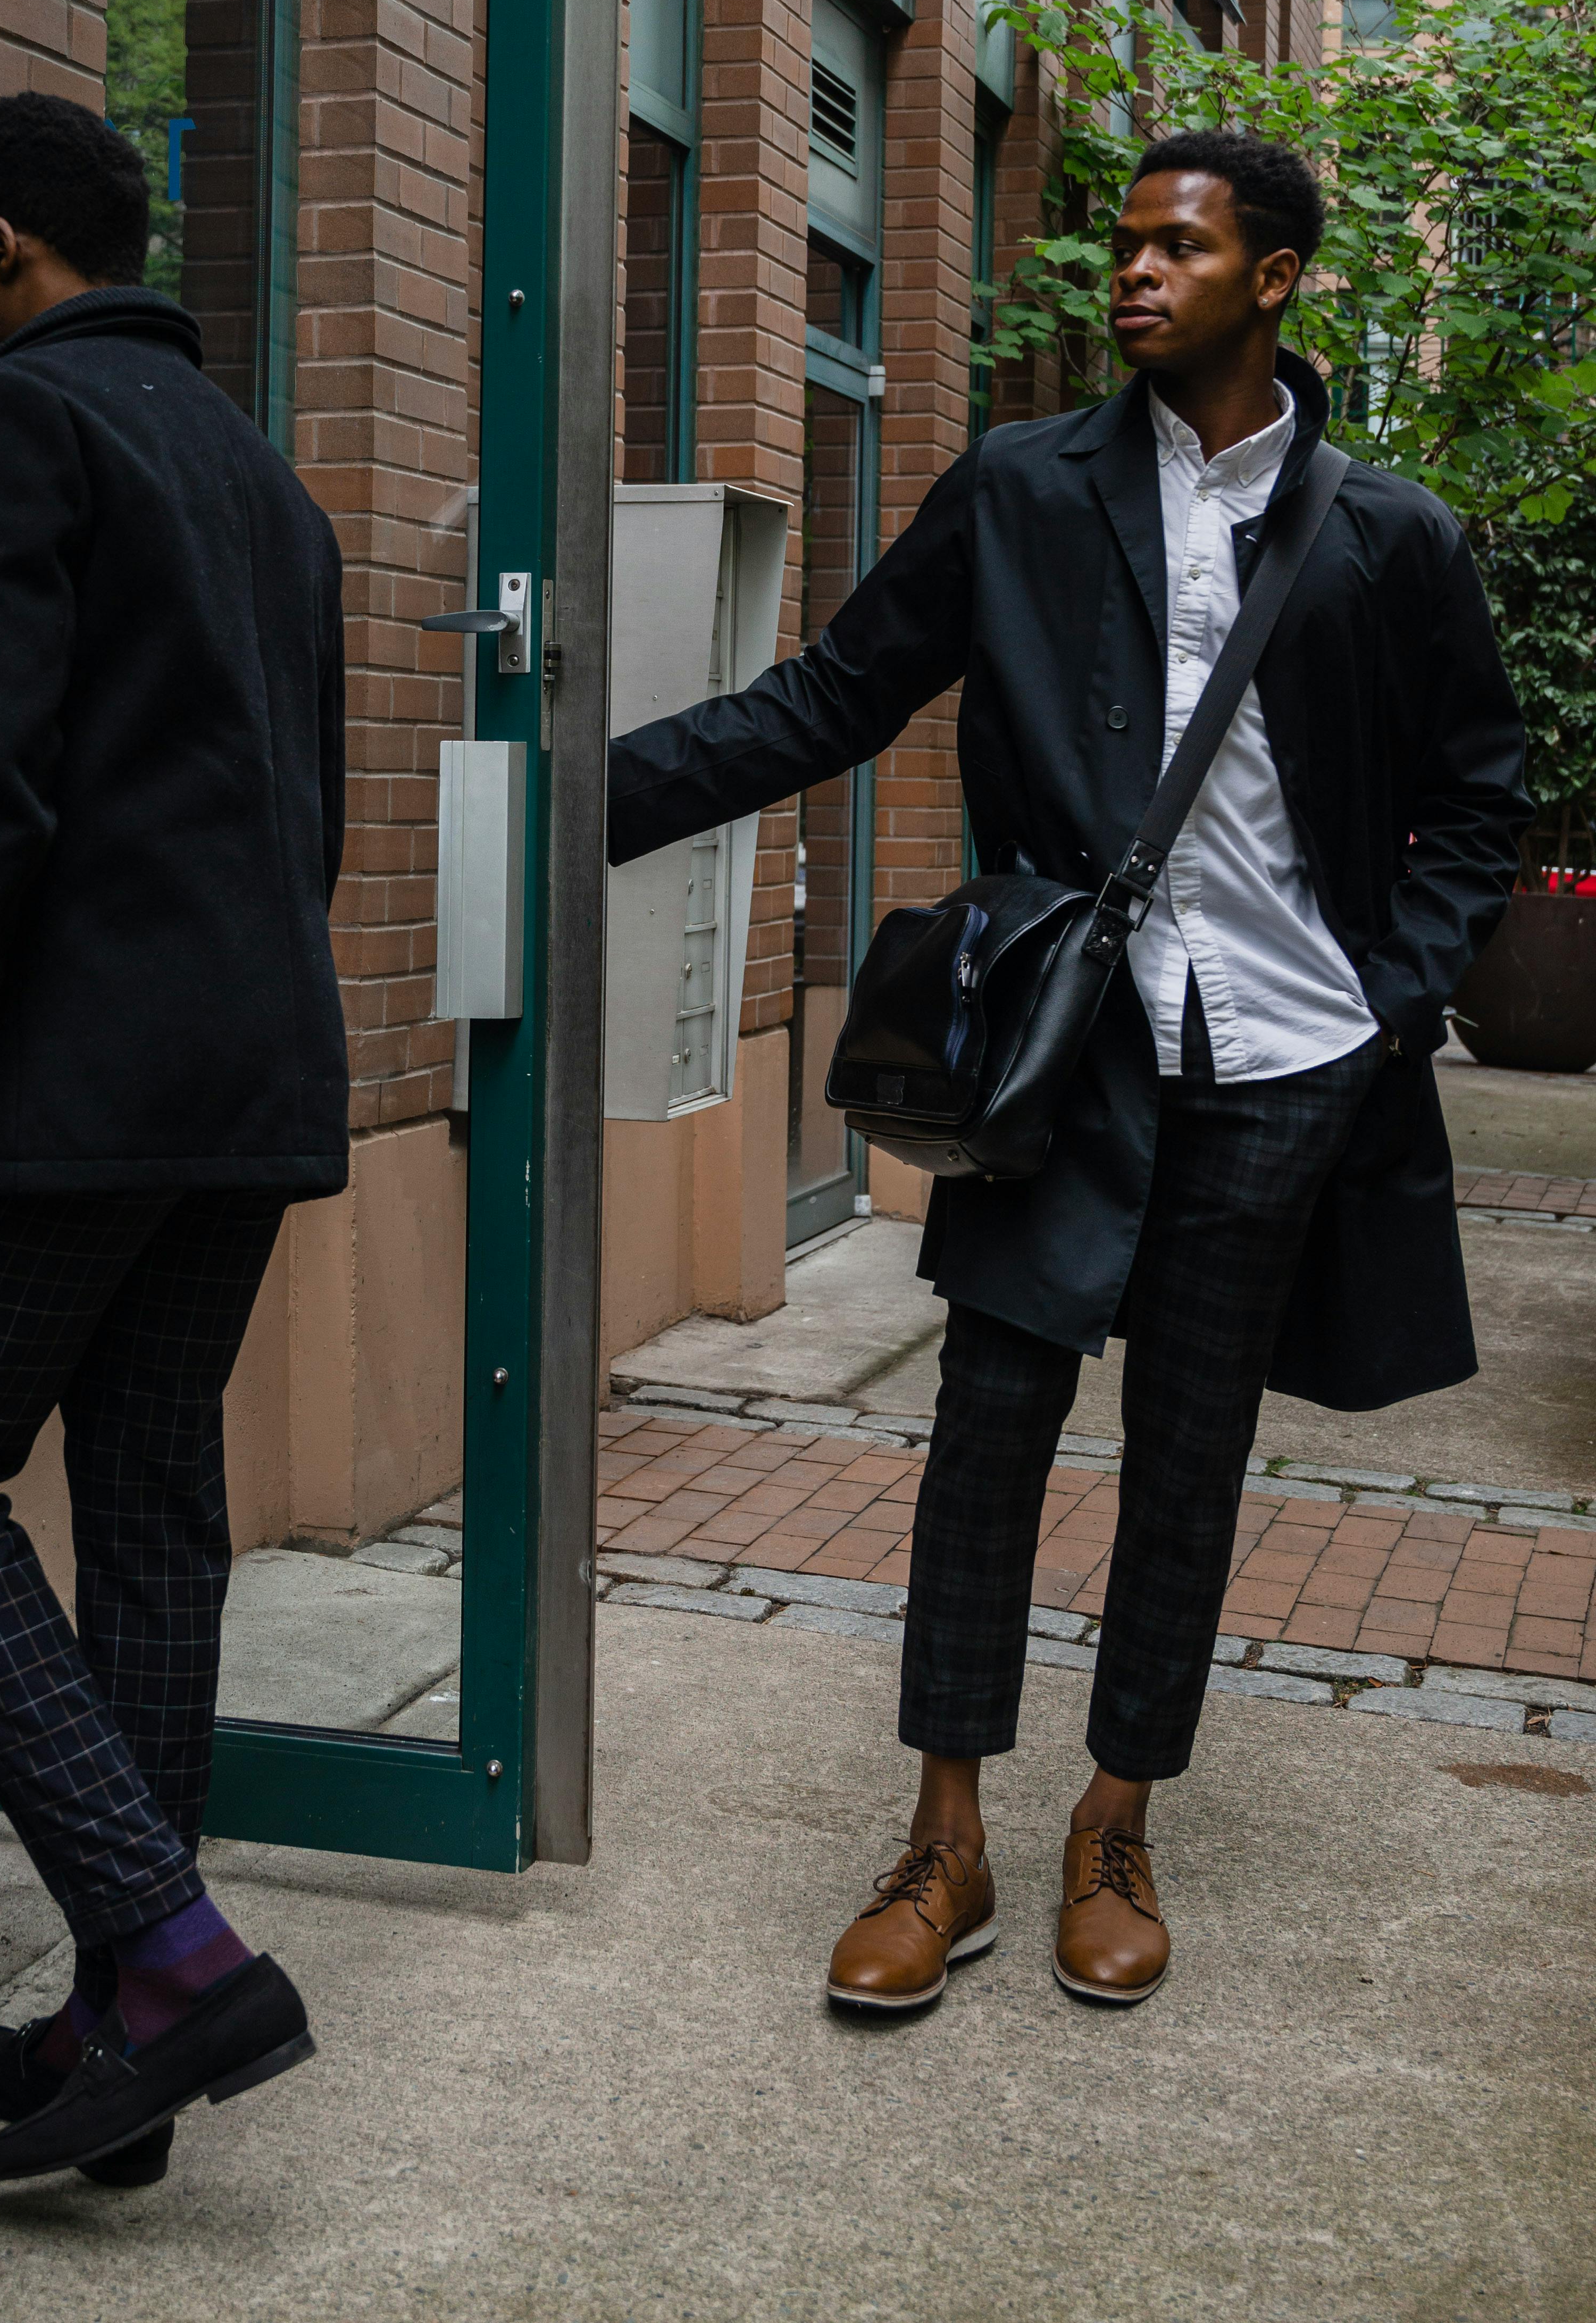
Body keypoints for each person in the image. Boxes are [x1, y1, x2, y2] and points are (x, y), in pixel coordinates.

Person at [607, 130, 1527, 2012]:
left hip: (1281, 1061)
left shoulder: (1389, 532)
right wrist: (588, 803)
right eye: (1123, 244)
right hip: (1058, 1056)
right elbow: (838, 694)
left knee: (1190, 1451)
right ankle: (944, 1838)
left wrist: (1381, 1009)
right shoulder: (1022, 489)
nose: (1133, 272)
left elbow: (1474, 805)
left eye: (1179, 247)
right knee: (988, 1435)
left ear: (1274, 279)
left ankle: (1117, 1819)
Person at [0, 90, 348, 2183]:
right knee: (150, 1507)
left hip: (60, 1096)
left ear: (2, 245)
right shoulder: (266, 484)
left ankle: (179, 1960)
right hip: (239, 1088)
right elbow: (314, 815)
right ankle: (131, 2023)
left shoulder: (8, 429)